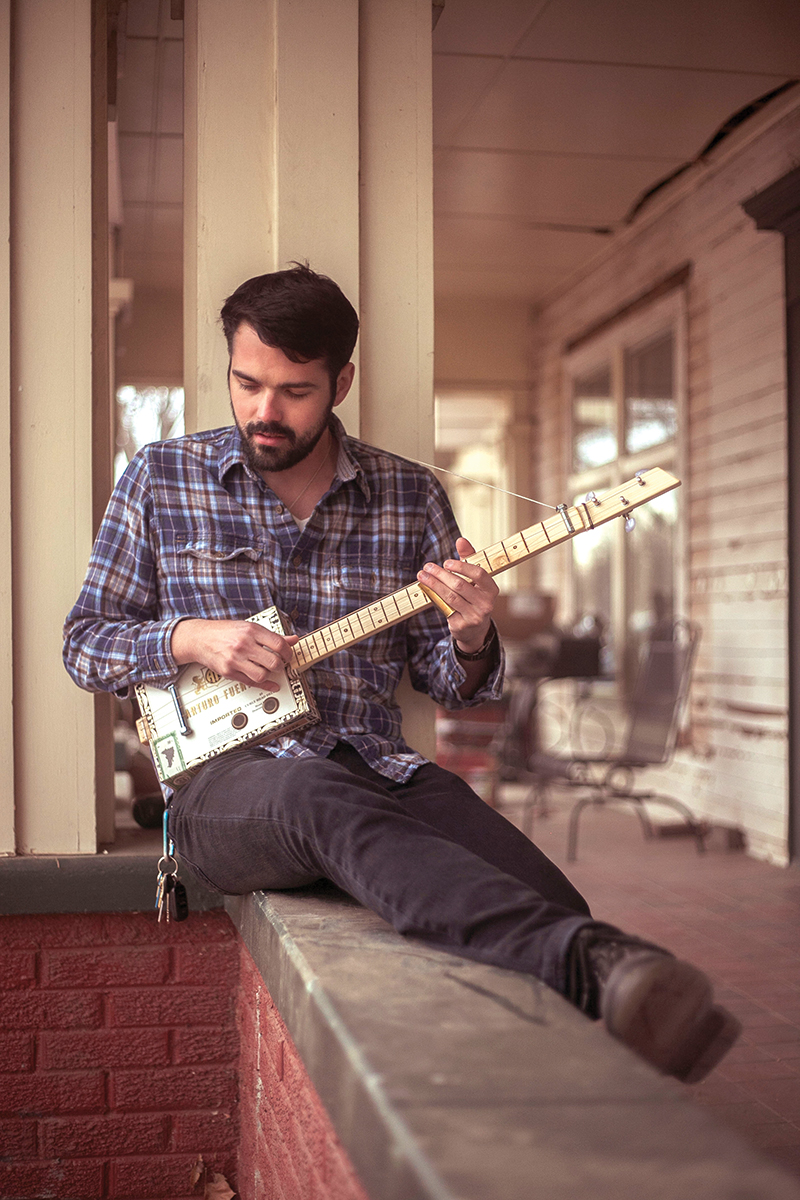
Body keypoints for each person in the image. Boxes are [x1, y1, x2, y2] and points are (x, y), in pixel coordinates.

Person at [64, 264, 739, 1083]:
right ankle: (598, 969)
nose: (264, 411)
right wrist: (189, 638)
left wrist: (471, 631)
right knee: (310, 793)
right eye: (247, 383)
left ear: (341, 381)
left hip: (379, 767)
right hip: (223, 785)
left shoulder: (410, 496)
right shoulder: (160, 479)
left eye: (295, 390)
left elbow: (450, 682)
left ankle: (579, 1053)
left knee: (547, 894)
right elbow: (86, 645)